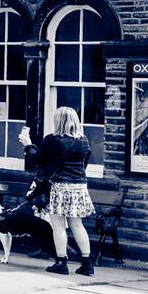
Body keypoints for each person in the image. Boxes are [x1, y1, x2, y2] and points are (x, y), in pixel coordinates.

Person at [20, 107, 95, 276]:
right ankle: (87, 263)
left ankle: (61, 262)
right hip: (79, 187)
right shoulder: (84, 140)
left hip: (60, 186)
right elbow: (85, 165)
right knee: (77, 224)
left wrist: (27, 145)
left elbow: (35, 160)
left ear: (58, 121)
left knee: (59, 226)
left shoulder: (52, 140)